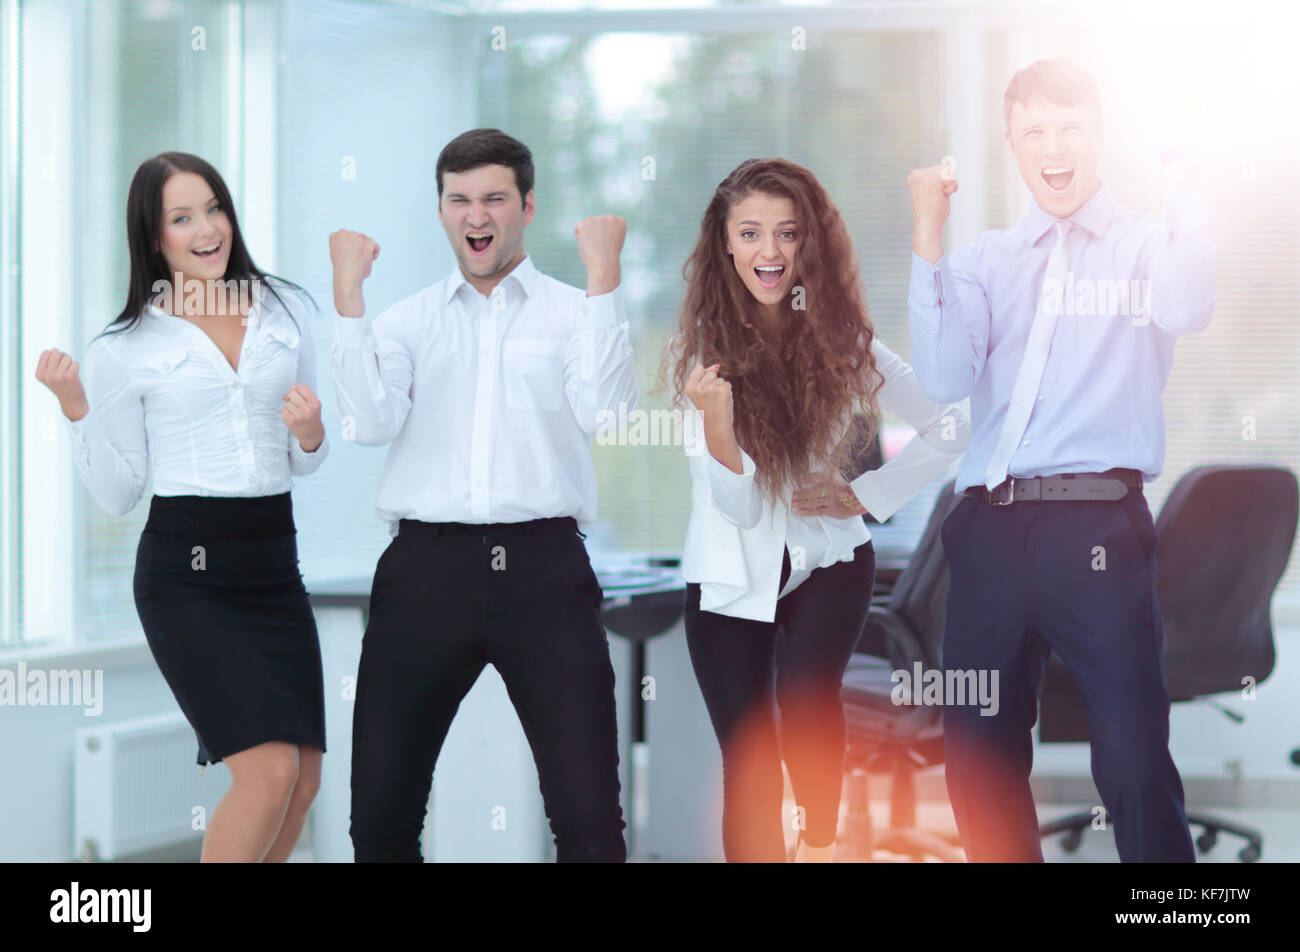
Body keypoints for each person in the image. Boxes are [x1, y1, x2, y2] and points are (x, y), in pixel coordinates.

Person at [907, 58, 1214, 862]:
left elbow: (1188, 304)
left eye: (1071, 127)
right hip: (987, 529)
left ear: (1101, 135)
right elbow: (941, 378)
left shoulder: (1148, 247)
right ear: (1010, 144)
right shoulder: (982, 262)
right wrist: (928, 240)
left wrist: (1186, 182)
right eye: (1034, 131)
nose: (1054, 147)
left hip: (1097, 533)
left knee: (1134, 755)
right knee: (979, 758)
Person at [331, 127, 636, 862]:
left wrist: (605, 280)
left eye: (494, 198)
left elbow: (610, 416)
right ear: (440, 211)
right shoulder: (405, 320)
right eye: (460, 199)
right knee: (380, 817)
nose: (477, 214)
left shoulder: (574, 312)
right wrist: (349, 299)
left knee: (590, 820)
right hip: (423, 573)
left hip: (546, 572)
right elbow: (367, 423)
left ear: (527, 207)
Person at [662, 157, 971, 862]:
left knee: (807, 715)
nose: (769, 252)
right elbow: (737, 513)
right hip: (730, 574)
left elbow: (952, 425)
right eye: (750, 234)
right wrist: (715, 424)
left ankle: (824, 848)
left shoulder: (845, 345)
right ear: (726, 245)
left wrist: (866, 495)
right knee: (749, 758)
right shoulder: (701, 356)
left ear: (811, 244)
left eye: (786, 233)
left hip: (830, 560)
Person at [35, 152, 330, 862]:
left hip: (273, 562)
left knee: (305, 780)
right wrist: (78, 411)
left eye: (214, 208)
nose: (206, 229)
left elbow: (305, 458)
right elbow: (118, 493)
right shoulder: (124, 347)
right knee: (268, 773)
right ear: (154, 236)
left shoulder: (285, 314)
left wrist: (311, 434)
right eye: (182, 216)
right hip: (186, 574)